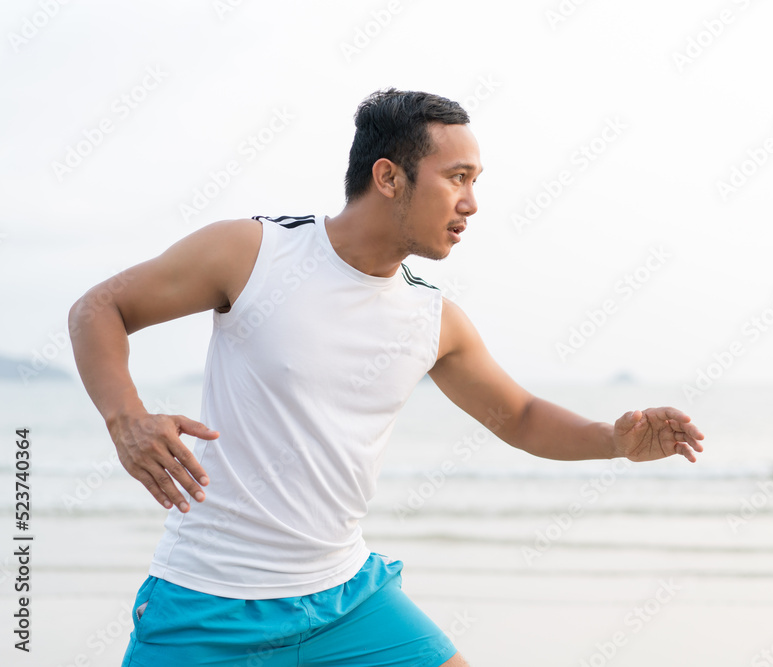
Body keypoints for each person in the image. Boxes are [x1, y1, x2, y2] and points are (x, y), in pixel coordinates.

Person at [69, 88, 705, 667]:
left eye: (476, 181)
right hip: (208, 603)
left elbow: (518, 416)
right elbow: (99, 309)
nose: (472, 203)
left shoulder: (433, 318)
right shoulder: (252, 252)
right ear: (389, 177)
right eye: (457, 178)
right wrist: (126, 418)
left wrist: (615, 440)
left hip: (347, 601)